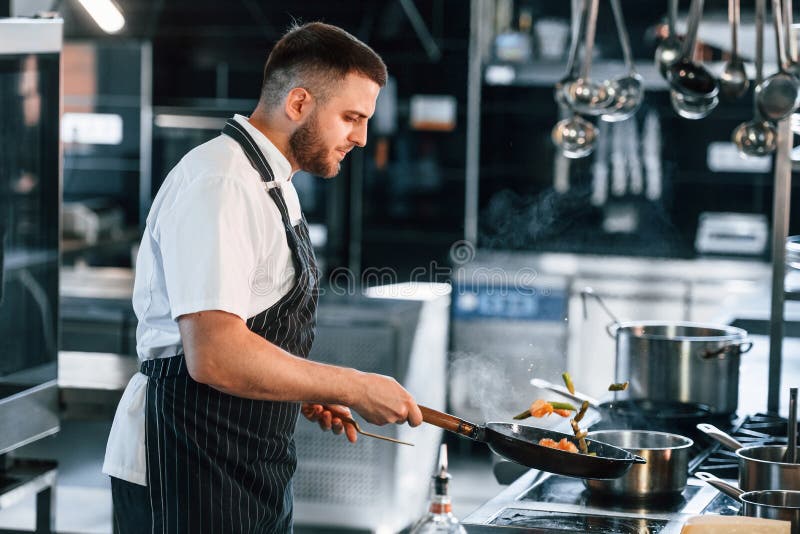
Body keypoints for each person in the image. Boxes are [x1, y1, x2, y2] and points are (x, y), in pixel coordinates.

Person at [103, 22, 423, 533]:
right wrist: (355, 384)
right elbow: (216, 354)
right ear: (298, 103)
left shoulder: (271, 181)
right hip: (187, 459)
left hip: (241, 460)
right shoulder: (221, 183)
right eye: (351, 118)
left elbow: (247, 326)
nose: (362, 137)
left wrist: (300, 386)